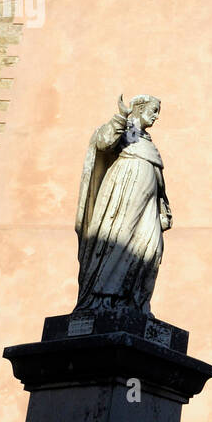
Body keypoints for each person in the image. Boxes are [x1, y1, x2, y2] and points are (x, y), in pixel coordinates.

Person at [75, 94, 171, 314]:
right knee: (119, 242)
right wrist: (120, 118)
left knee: (151, 248)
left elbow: (158, 179)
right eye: (154, 110)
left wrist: (163, 205)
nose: (156, 116)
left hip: (148, 206)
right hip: (123, 197)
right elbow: (104, 142)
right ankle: (105, 299)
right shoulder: (126, 132)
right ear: (140, 109)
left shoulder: (146, 141)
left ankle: (137, 302)